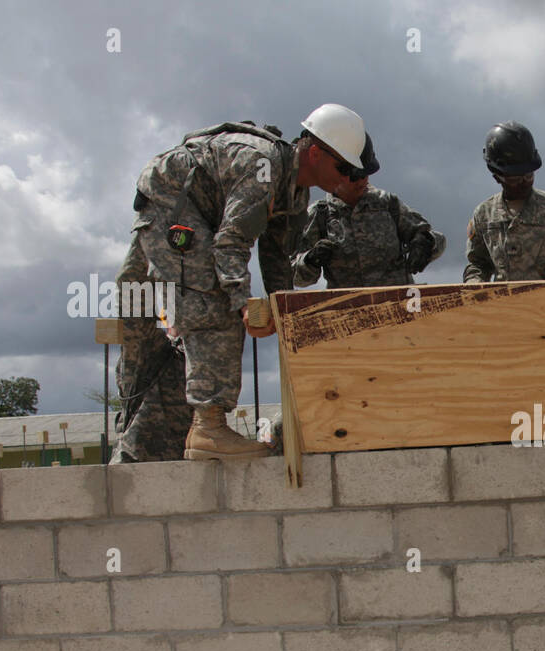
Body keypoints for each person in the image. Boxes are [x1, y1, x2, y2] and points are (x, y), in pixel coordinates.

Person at [113, 105, 368, 462]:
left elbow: (277, 259)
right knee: (211, 302)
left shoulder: (295, 192)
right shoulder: (263, 168)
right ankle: (208, 427)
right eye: (343, 167)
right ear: (314, 153)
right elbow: (230, 244)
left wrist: (283, 313)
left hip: (185, 209)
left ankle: (159, 435)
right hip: (172, 206)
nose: (346, 177)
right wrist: (243, 303)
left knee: (151, 310)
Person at [292, 133, 446, 288]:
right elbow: (295, 276)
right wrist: (310, 260)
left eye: (366, 174)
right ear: (338, 172)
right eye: (355, 176)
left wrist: (426, 243)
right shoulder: (320, 215)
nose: (362, 180)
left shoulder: (387, 204)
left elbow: (437, 240)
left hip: (399, 305)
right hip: (348, 308)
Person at [463, 122, 545, 283]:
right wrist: (474, 284)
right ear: (497, 176)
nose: (525, 182)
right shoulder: (484, 215)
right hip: (502, 305)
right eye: (516, 179)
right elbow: (477, 265)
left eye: (529, 175)